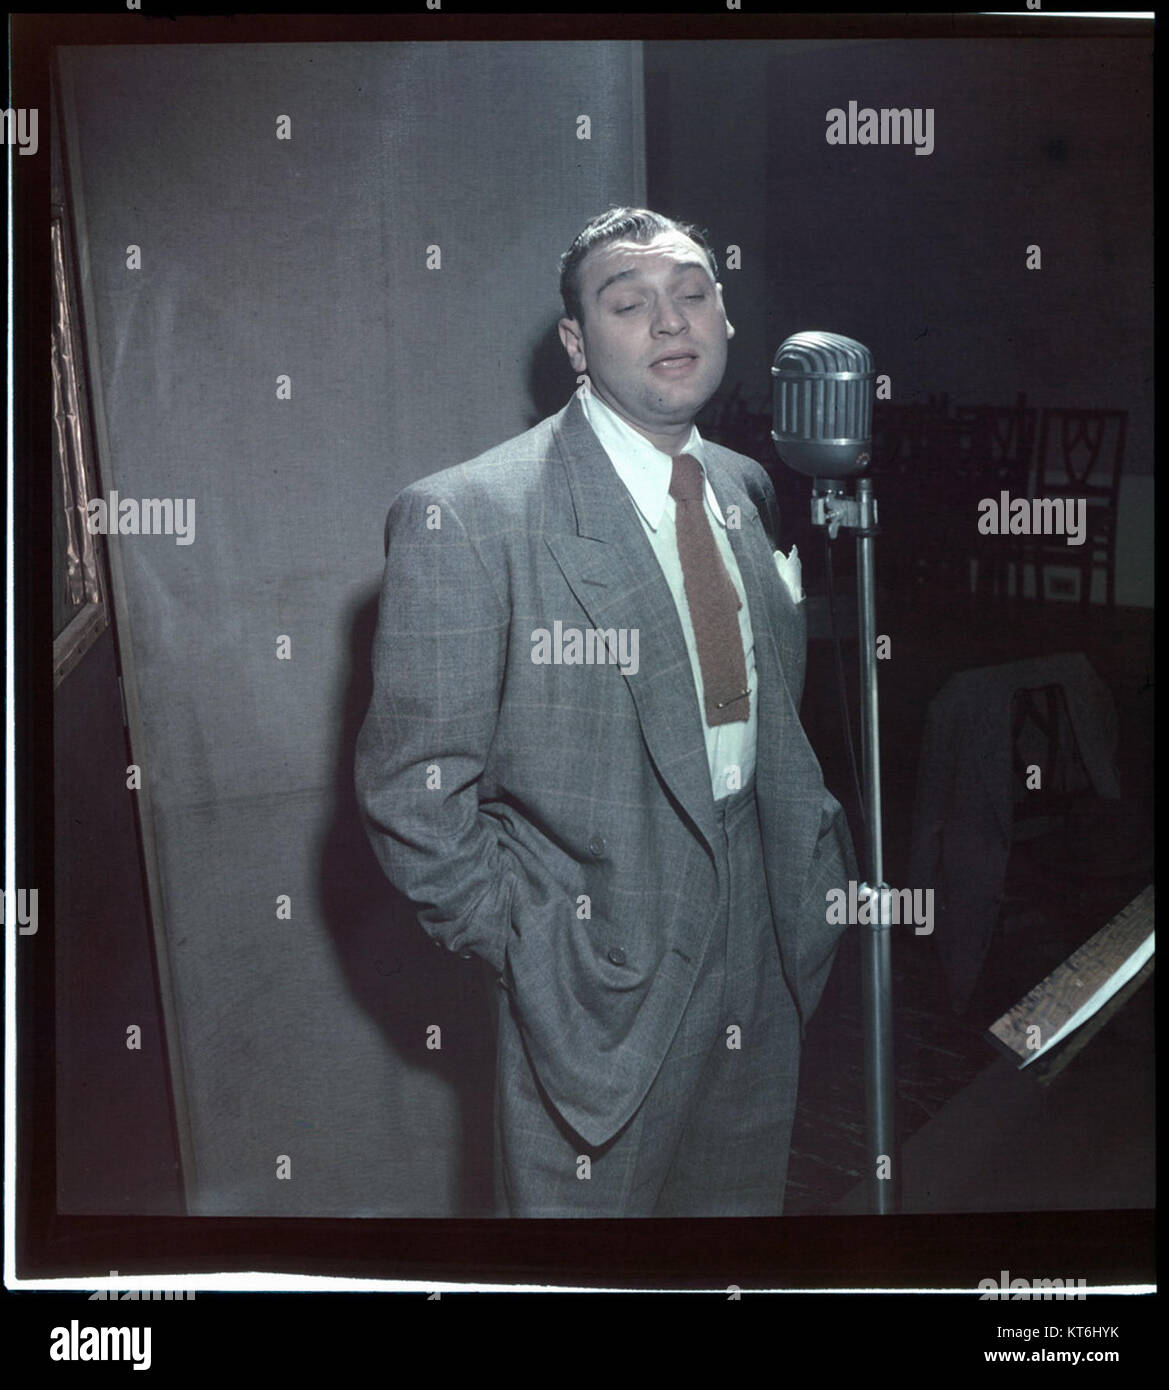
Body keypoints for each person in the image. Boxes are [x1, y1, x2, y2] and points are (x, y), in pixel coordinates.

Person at [355, 207, 856, 1216]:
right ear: (578, 345)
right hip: (592, 966)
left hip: (761, 934)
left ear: (724, 318)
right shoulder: (468, 515)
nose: (670, 322)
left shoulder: (742, 485)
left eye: (693, 295)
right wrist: (530, 945)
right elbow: (414, 799)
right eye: (629, 304)